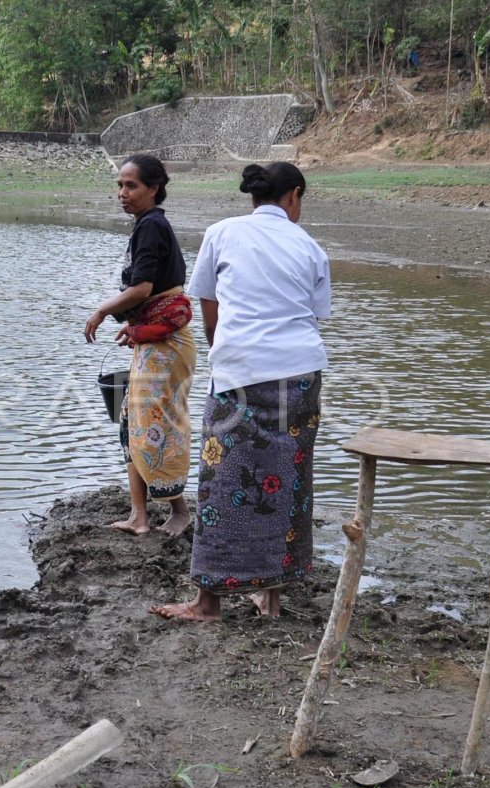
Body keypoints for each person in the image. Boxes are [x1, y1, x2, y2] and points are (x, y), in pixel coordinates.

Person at [150, 161, 331, 621]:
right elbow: (312, 314)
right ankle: (271, 596)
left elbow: (208, 307)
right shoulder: (309, 246)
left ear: (255, 197)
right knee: (287, 482)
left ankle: (207, 602)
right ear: (293, 196)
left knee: (223, 480)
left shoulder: (222, 232)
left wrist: (226, 353)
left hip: (240, 374)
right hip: (301, 374)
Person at [85, 154, 197, 538]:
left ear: (154, 188)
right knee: (133, 424)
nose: (122, 193)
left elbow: (143, 288)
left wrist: (101, 311)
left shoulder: (152, 226)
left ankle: (178, 512)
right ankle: (140, 515)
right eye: (119, 185)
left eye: (131, 185)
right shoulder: (145, 225)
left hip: (167, 344)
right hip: (153, 340)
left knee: (155, 425)